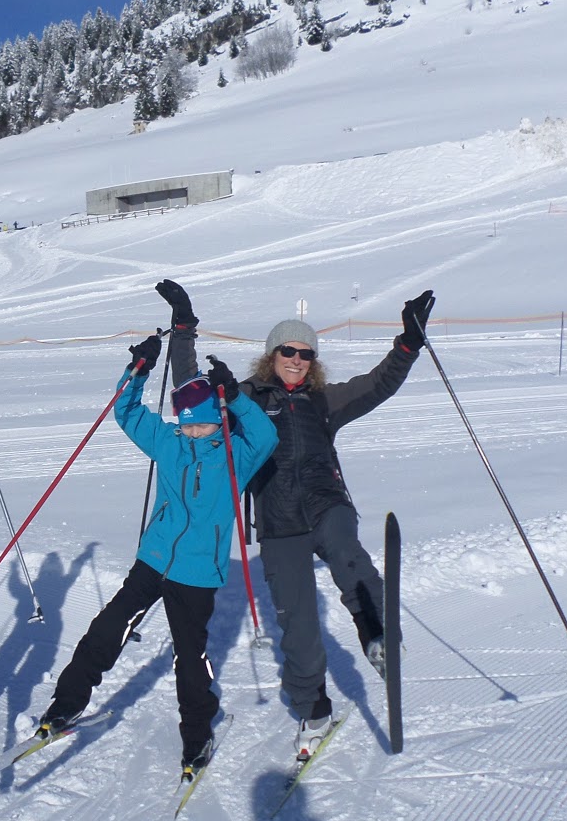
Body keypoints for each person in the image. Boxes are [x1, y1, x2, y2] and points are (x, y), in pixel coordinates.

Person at [156, 280, 435, 759]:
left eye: (306, 353)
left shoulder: (324, 401)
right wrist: (184, 329)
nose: (297, 359)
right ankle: (314, 709)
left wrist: (408, 342)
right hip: (278, 519)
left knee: (351, 559)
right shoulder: (241, 399)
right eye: (288, 349)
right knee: (299, 625)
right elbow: (190, 390)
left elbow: (379, 384)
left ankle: (379, 638)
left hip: (328, 504)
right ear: (271, 354)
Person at [37, 319, 278, 775]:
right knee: (107, 629)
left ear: (218, 420)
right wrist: (139, 367)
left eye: (202, 425)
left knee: (190, 660)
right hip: (153, 560)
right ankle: (64, 706)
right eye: (187, 425)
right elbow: (126, 412)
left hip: (196, 574)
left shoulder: (235, 455)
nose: (192, 433)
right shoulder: (168, 444)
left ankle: (197, 735)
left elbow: (267, 437)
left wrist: (237, 395)